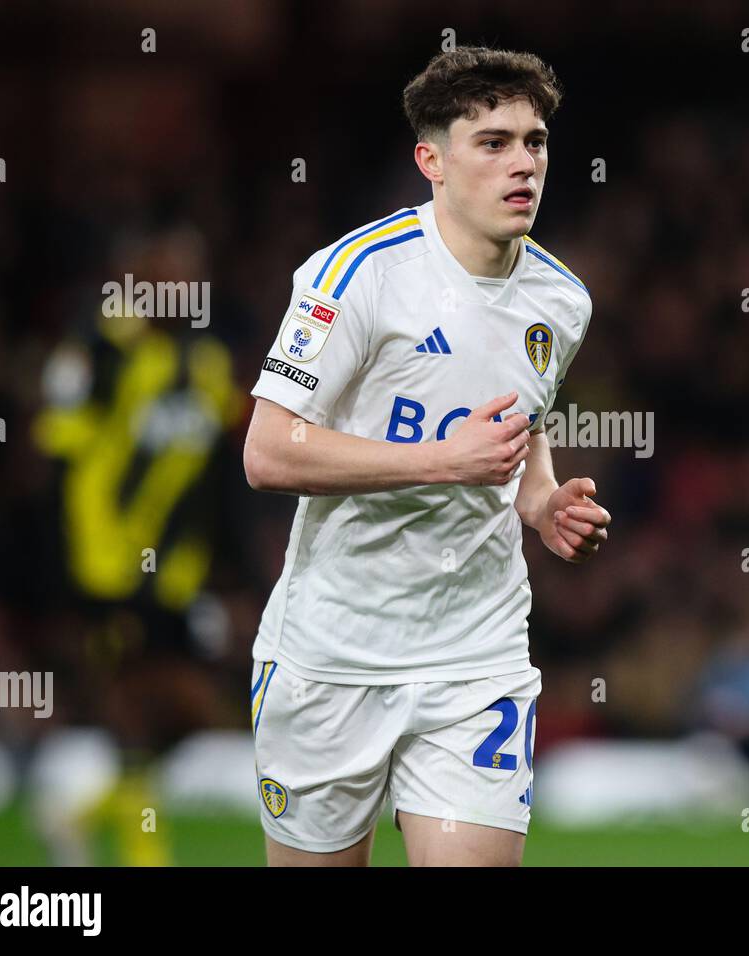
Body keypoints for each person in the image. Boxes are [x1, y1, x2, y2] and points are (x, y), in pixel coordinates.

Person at [242, 46, 609, 867]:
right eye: (493, 142)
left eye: (536, 141)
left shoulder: (563, 299)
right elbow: (267, 452)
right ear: (431, 161)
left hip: (475, 657)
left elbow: (523, 424)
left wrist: (542, 502)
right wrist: (442, 461)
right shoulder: (358, 276)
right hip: (332, 655)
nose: (524, 163)